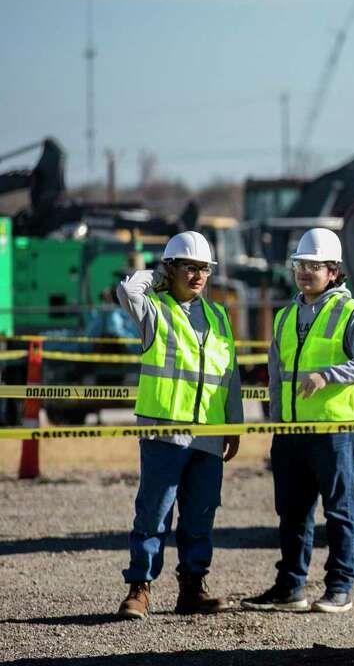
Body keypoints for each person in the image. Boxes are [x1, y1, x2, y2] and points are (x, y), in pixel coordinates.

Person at [242, 228, 354, 614]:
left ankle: (340, 588)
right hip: (292, 432)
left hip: (336, 431)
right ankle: (291, 588)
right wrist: (277, 420)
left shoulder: (353, 313)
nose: (305, 272)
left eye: (315, 266)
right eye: (300, 265)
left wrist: (329, 375)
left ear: (334, 271)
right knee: (291, 514)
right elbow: (276, 372)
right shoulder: (287, 315)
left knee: (339, 511)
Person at [116, 230, 242, 619]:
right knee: (154, 512)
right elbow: (127, 290)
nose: (199, 275)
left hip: (208, 433)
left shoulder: (218, 315)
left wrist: (233, 425)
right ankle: (140, 587)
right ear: (171, 269)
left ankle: (192, 588)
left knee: (201, 514)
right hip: (164, 430)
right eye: (190, 267)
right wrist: (158, 274)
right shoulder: (155, 309)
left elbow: (230, 375)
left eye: (204, 268)